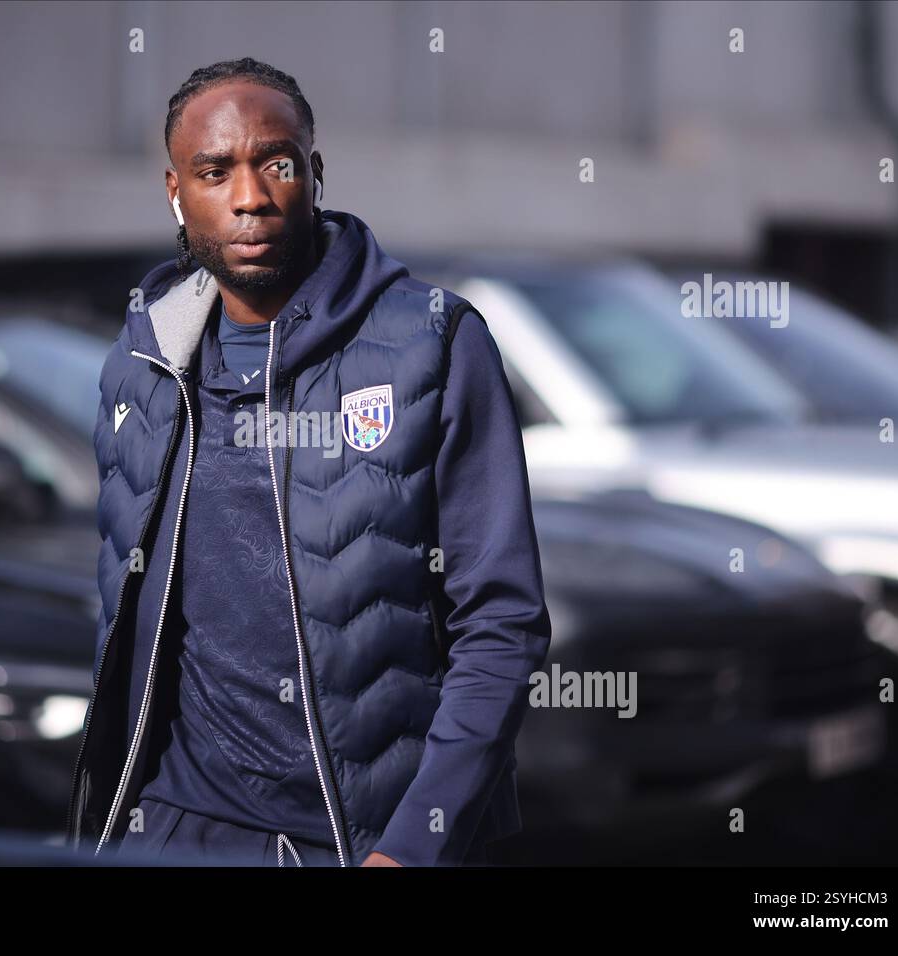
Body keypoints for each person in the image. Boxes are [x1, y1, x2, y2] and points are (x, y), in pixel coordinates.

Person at [65, 57, 551, 867]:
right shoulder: (144, 363)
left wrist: (414, 844)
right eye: (214, 171)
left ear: (314, 173)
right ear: (176, 191)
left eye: (275, 164)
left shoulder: (430, 344)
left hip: (357, 840)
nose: (250, 197)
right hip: (172, 827)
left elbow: (501, 623)